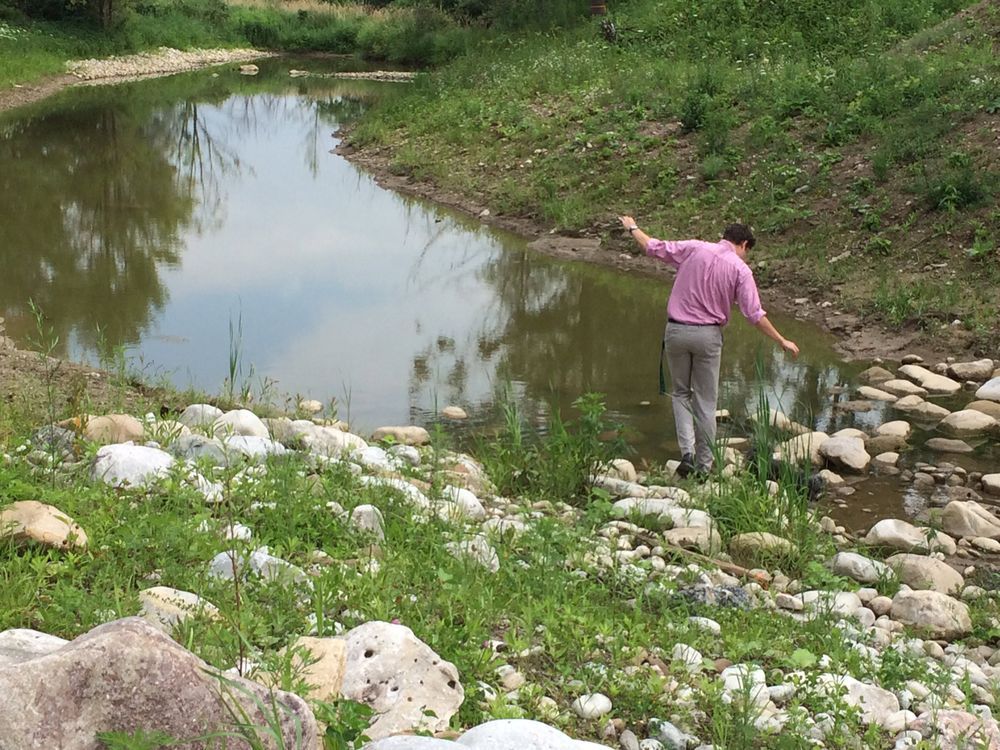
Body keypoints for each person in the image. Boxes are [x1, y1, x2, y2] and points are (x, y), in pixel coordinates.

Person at [618, 216, 800, 478]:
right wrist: (781, 339)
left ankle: (687, 454)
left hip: (676, 330)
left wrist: (633, 228)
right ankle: (704, 467)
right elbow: (754, 315)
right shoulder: (740, 269)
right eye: (748, 252)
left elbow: (653, 247)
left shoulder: (695, 248)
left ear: (724, 237)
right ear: (744, 244)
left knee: (681, 393)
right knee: (705, 401)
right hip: (708, 337)